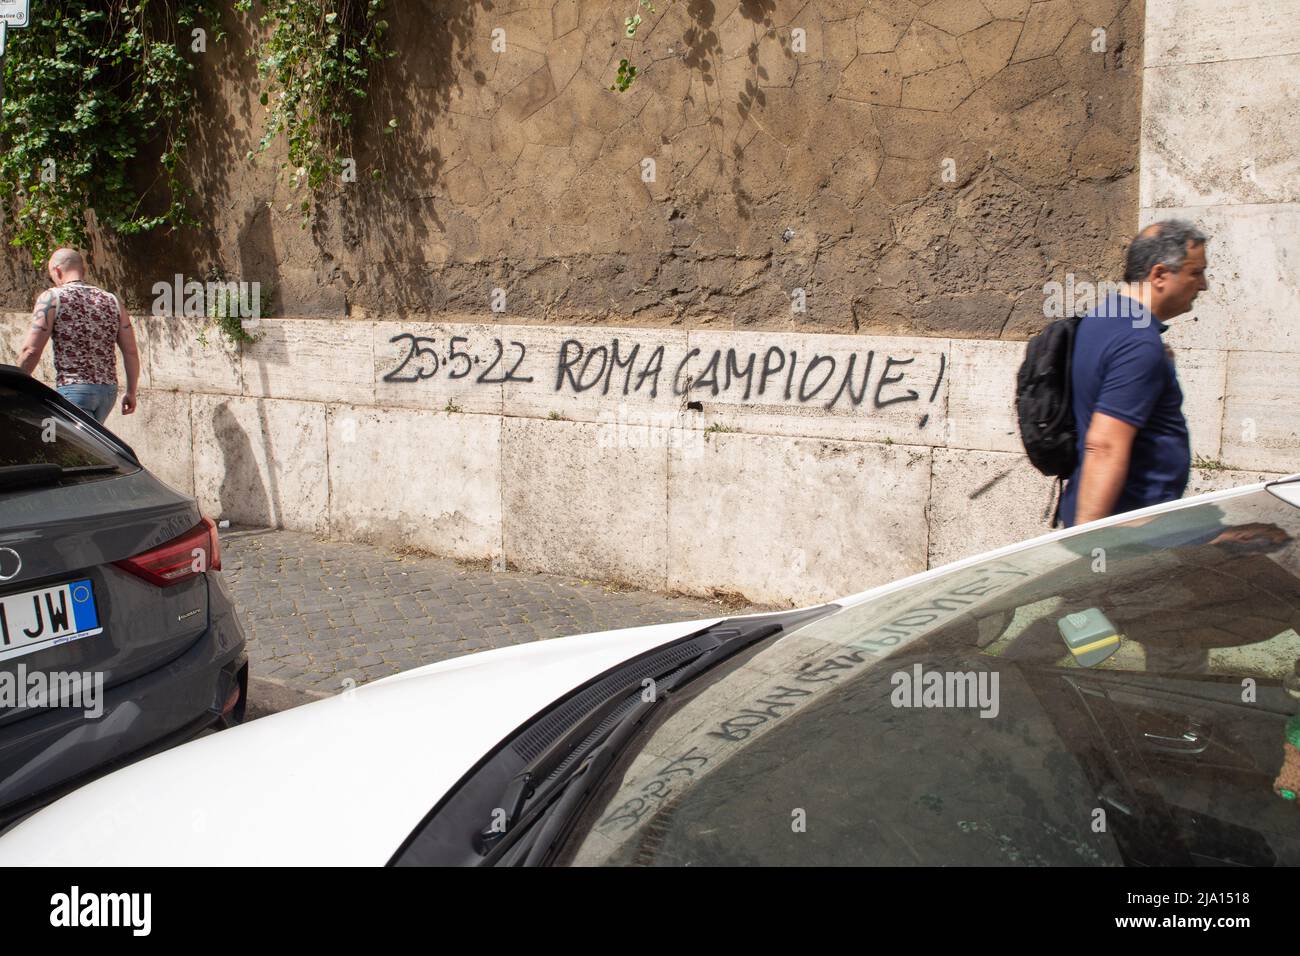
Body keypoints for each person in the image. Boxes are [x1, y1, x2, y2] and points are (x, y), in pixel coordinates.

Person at [1059, 220, 1208, 527]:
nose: (1203, 284)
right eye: (1196, 272)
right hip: (1126, 533)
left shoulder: (1105, 317)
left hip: (1118, 524)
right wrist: (1088, 541)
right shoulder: (1138, 343)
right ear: (1160, 275)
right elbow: (1104, 445)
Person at [15, 248, 139, 424]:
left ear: (57, 271)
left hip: (74, 389)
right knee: (90, 447)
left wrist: (14, 384)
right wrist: (131, 392)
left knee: (71, 449)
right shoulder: (111, 300)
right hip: (108, 392)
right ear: (84, 270)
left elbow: (31, 350)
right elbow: (131, 351)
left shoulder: (52, 298)